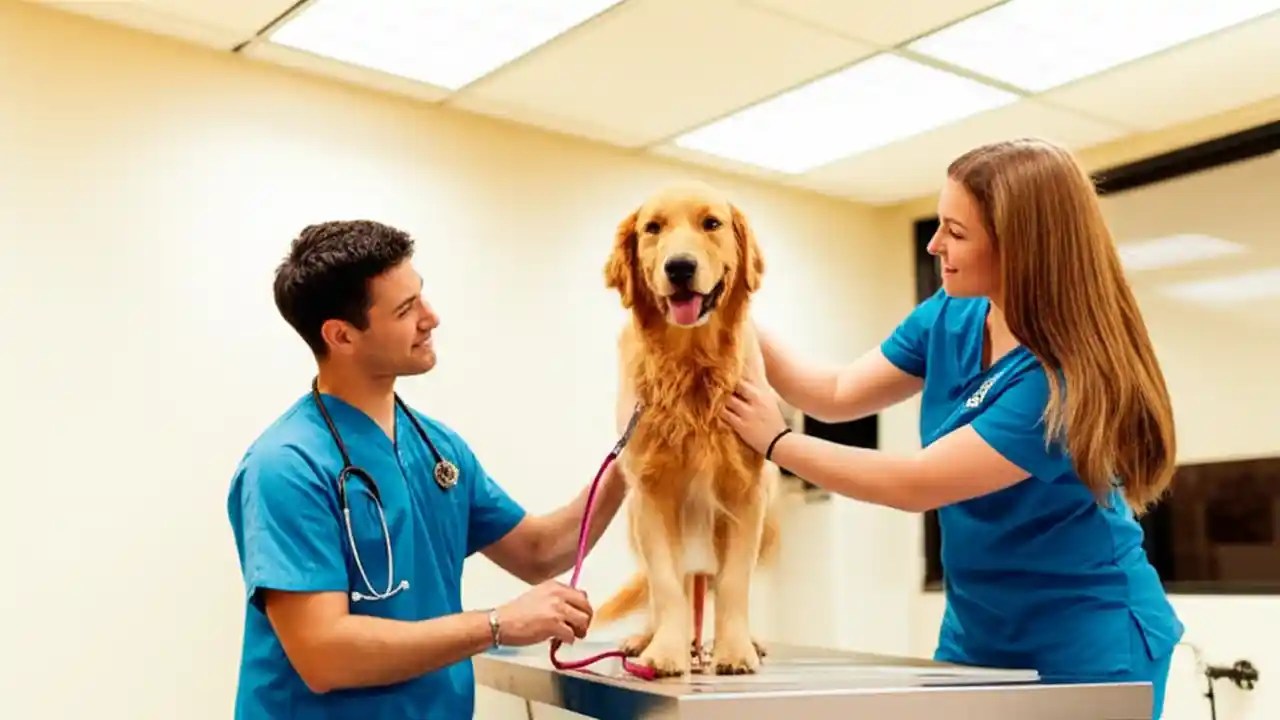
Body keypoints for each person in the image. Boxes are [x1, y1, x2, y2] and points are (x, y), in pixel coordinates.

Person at [723, 138, 1184, 718]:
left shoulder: (1058, 380)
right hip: (978, 632)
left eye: (956, 232)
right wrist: (728, 307)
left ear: (1020, 246)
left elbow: (917, 484)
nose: (935, 244)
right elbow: (836, 393)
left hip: (1087, 644)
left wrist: (778, 443)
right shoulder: (952, 312)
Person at [226, 220, 628, 719]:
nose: (431, 317)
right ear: (342, 336)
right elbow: (324, 654)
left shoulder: (438, 449)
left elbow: (539, 551)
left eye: (422, 297)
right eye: (405, 309)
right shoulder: (286, 466)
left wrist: (635, 458)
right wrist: (497, 624)